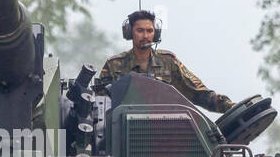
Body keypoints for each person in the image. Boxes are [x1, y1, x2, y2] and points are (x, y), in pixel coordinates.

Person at [93, 10, 233, 112]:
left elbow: (198, 92)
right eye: (140, 30)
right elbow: (100, 105)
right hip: (124, 132)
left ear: (156, 34)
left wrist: (230, 106)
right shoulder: (114, 65)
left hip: (164, 131)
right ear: (130, 33)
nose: (145, 36)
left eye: (149, 31)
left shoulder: (168, 62)